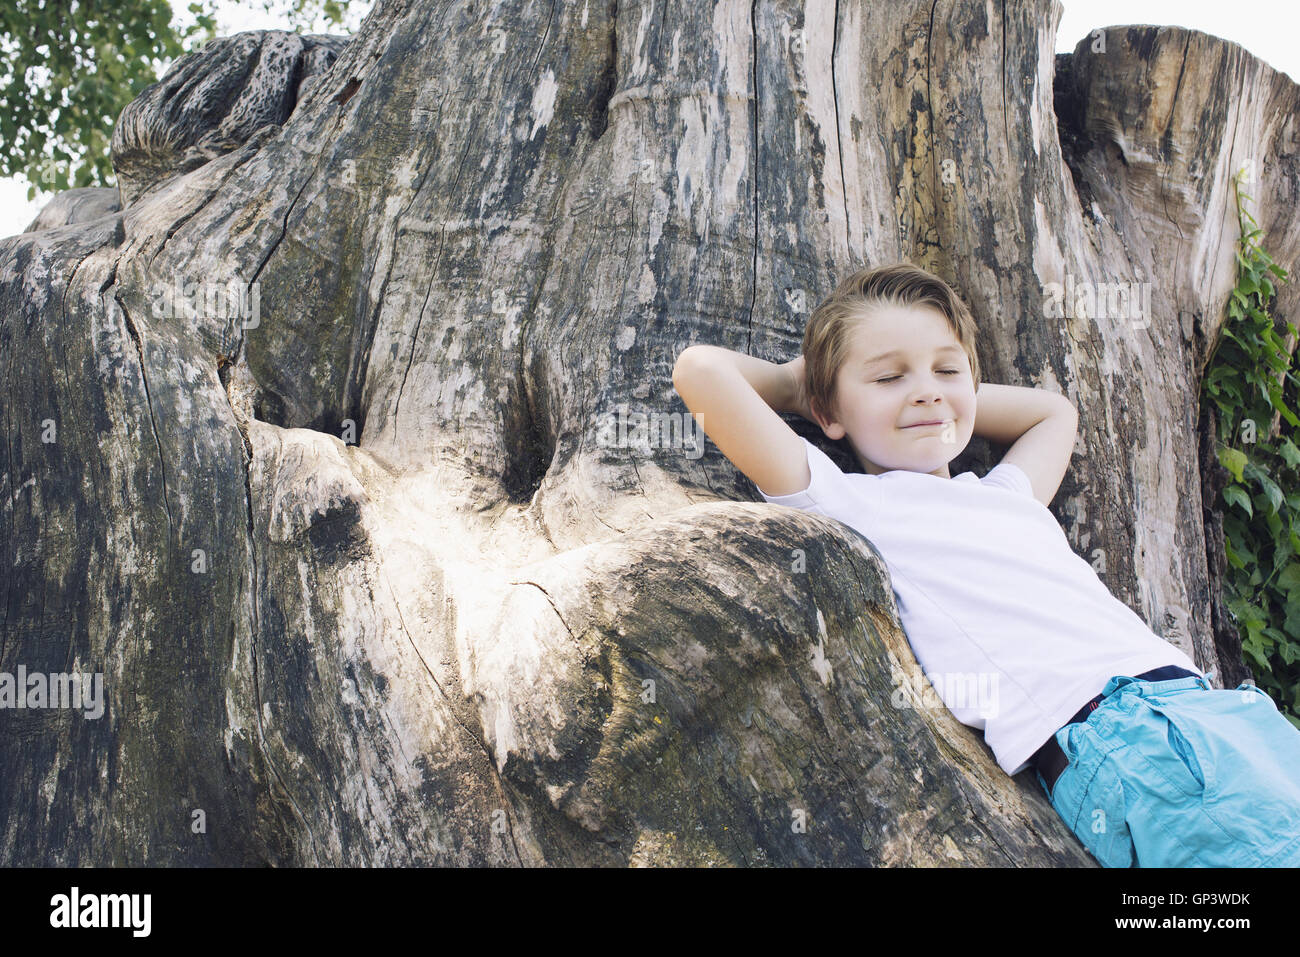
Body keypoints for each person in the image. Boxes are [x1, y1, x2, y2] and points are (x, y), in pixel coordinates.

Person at [671, 261, 1300, 867]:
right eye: (888, 379)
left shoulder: (1003, 494)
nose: (924, 390)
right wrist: (803, 390)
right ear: (829, 411)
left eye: (947, 369)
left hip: (1216, 713)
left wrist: (943, 390)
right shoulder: (852, 502)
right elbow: (700, 372)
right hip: (1122, 738)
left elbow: (1054, 411)